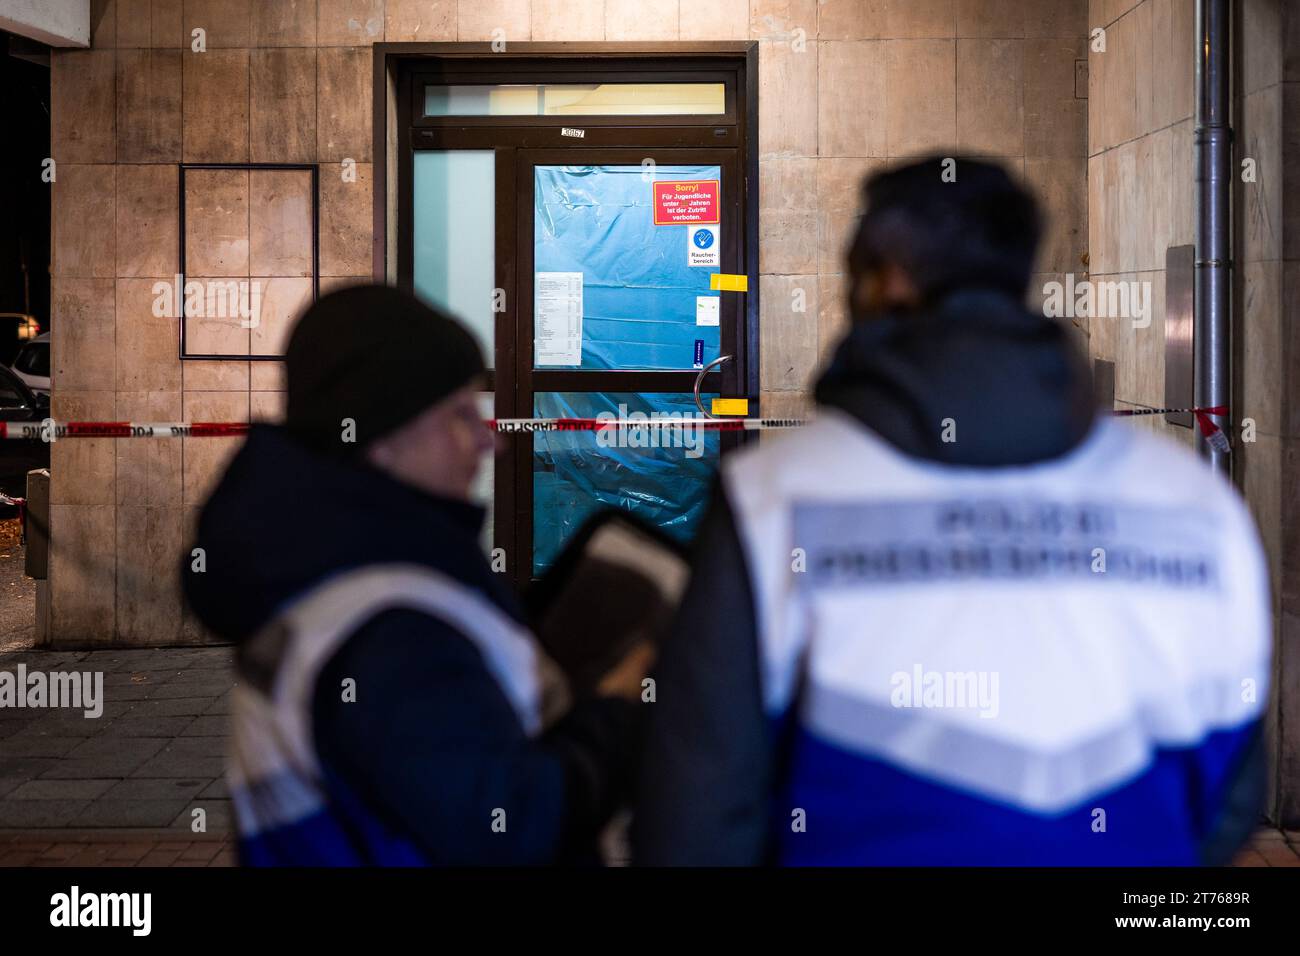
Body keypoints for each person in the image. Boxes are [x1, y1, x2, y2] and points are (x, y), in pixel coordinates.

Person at [633, 157, 1272, 866]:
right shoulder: (1196, 504)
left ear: (889, 278)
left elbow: (693, 813)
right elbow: (1230, 796)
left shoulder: (774, 500)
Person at [185, 285, 646, 865]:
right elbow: (512, 823)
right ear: (378, 442)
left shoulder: (333, 571)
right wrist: (620, 713)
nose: (489, 441)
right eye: (459, 415)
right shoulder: (391, 630)